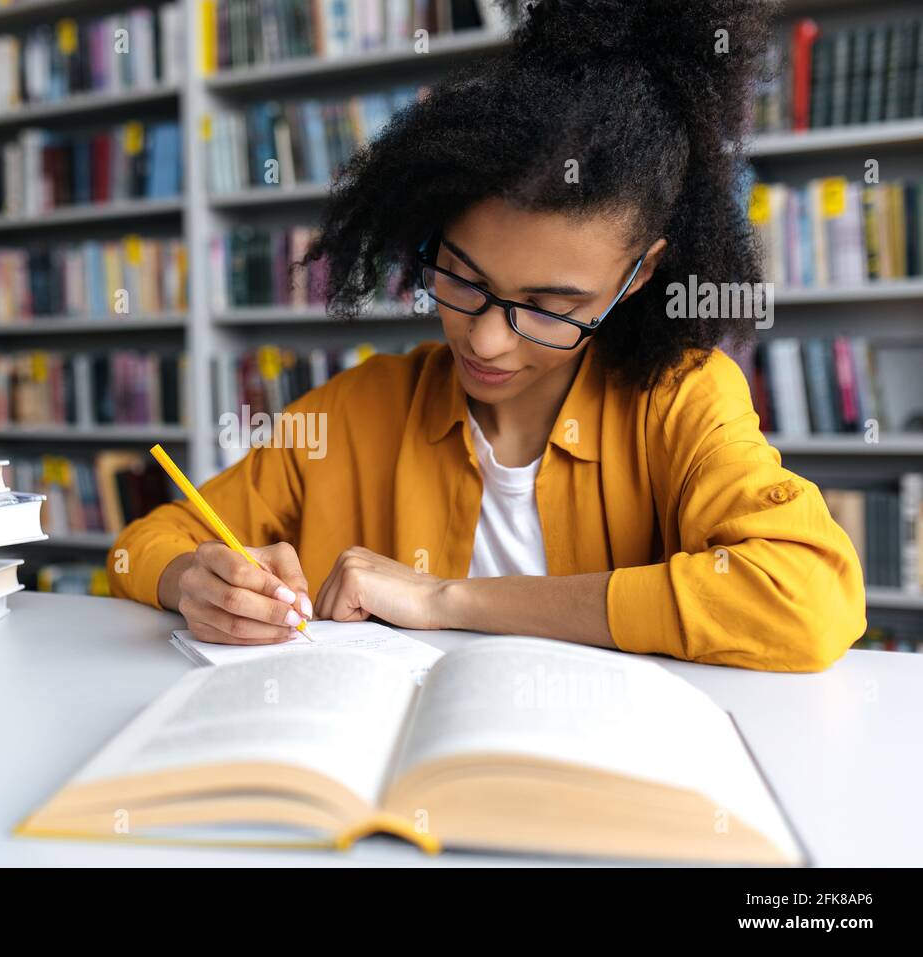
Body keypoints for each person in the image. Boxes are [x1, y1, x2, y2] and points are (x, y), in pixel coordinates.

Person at [108, 0, 865, 671]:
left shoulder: (680, 400)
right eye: (463, 279)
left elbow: (808, 596)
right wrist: (194, 581)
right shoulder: (351, 413)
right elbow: (140, 545)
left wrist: (450, 598)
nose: (487, 341)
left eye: (549, 305)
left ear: (637, 277)